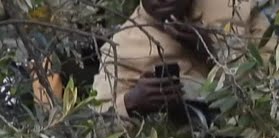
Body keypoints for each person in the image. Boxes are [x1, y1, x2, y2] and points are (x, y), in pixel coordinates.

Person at [91, 0, 269, 120]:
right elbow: (94, 128)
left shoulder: (236, 8)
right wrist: (131, 103)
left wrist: (212, 51)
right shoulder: (122, 46)